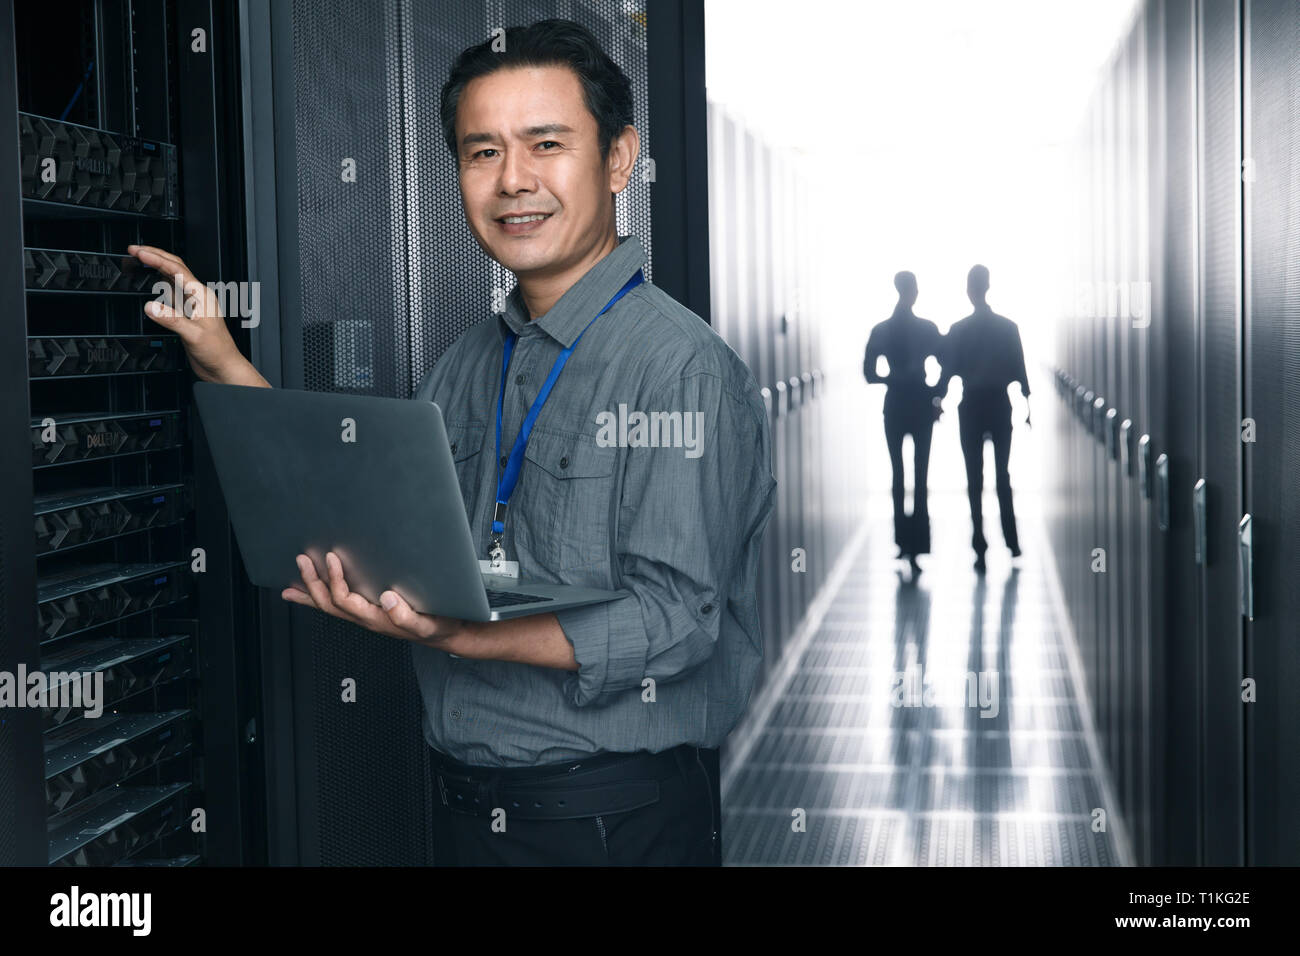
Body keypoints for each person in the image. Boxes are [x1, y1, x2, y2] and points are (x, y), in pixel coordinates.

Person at [128, 18, 776, 866]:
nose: (514, 181)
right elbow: (358, 498)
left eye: (546, 144)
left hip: (611, 819)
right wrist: (220, 357)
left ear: (620, 159)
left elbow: (675, 624)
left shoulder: (681, 371)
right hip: (470, 807)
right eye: (482, 153)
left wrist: (461, 637)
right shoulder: (473, 360)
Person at [935, 264, 1030, 574]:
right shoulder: (1007, 327)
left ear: (969, 289)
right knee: (1003, 475)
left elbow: (947, 374)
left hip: (972, 405)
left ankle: (980, 546)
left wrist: (935, 400)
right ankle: (1012, 542)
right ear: (988, 287)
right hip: (1000, 403)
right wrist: (1028, 409)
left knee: (974, 479)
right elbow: (1020, 372)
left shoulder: (959, 329)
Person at [863, 271, 943, 577]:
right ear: (914, 292)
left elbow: (869, 373)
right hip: (920, 404)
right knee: (919, 475)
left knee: (899, 475)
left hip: (896, 403)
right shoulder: (927, 329)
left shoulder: (883, 330)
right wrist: (934, 392)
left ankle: (903, 542)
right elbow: (946, 361)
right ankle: (918, 543)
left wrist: (892, 377)